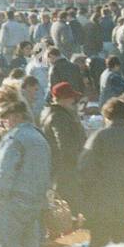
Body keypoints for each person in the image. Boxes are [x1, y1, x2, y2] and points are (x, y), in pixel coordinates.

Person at [78, 98, 124, 247]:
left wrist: (86, 195)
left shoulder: (98, 138)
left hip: (101, 202)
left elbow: (84, 168)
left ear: (106, 116)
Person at [0, 96, 51, 247]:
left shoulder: (14, 139)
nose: (2, 125)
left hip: (11, 204)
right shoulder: (39, 138)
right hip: (34, 205)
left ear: (15, 117)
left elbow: (3, 173)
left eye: (4, 120)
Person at [39, 81, 86, 210]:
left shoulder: (58, 114)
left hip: (61, 168)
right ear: (62, 99)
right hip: (65, 169)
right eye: (71, 97)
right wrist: (77, 161)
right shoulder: (59, 116)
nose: (74, 100)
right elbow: (64, 144)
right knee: (67, 207)